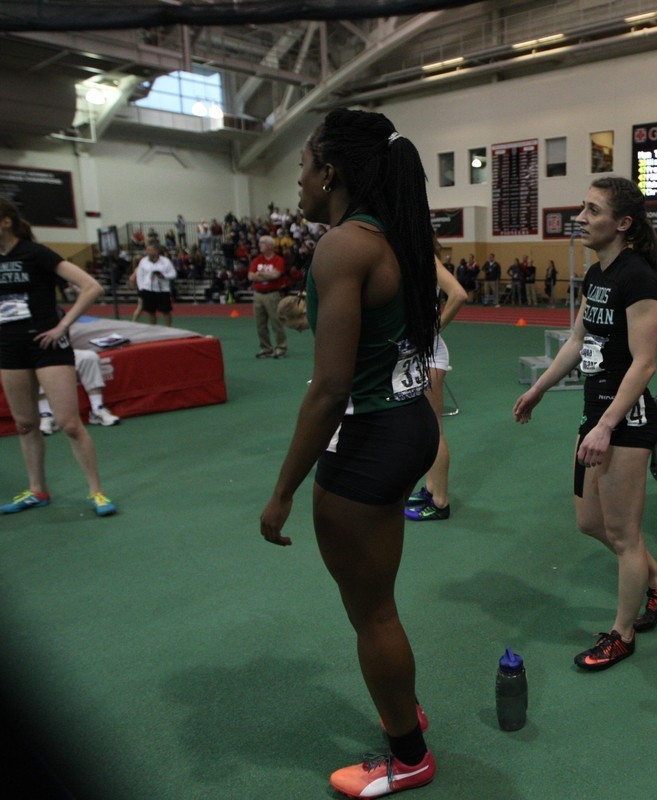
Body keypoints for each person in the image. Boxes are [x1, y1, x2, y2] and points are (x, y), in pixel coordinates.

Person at [258, 108, 442, 798]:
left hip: (370, 438)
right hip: (411, 423)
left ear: (330, 172)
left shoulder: (342, 246)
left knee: (373, 613)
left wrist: (282, 492)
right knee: (379, 603)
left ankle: (408, 753)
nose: (299, 181)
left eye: (304, 166)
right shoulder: (394, 235)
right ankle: (405, 709)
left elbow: (330, 389)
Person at [514, 177, 657, 671]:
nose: (580, 218)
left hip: (625, 419)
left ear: (623, 223)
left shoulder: (638, 277)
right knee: (590, 522)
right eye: (582, 208)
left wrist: (606, 425)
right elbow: (576, 341)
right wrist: (540, 388)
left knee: (624, 534)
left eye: (592, 210)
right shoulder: (597, 275)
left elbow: (645, 363)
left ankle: (622, 635)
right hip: (596, 413)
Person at [0, 198, 117, 517]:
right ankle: (37, 490)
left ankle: (97, 492)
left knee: (69, 424)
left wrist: (62, 326)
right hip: (9, 347)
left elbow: (91, 287)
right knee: (25, 424)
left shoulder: (36, 253)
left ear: (6, 221)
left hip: (47, 345)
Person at [405, 244, 468, 522]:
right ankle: (431, 489)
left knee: (434, 430)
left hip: (429, 355)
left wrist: (431, 331)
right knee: (424, 429)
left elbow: (458, 294)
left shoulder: (423, 256)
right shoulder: (405, 256)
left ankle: (440, 502)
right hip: (416, 353)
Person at [38, 348, 121, 433]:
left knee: (89, 357)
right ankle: (47, 414)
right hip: (36, 357)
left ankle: (97, 408)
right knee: (35, 365)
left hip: (61, 352)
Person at [249, 234, 289, 358]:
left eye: (263, 243)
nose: (260, 245)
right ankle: (266, 348)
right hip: (258, 295)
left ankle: (281, 347)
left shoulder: (278, 260)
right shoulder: (257, 260)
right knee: (260, 324)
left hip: (272, 294)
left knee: (276, 322)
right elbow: (251, 276)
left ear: (270, 246)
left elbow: (276, 275)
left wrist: (260, 274)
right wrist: (267, 275)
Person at [131, 241, 175, 326]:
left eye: (150, 250)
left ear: (156, 251)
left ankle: (168, 328)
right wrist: (141, 288)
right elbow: (140, 275)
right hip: (148, 290)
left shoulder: (165, 261)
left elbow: (173, 274)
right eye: (147, 250)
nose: (147, 252)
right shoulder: (143, 261)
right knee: (151, 311)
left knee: (166, 311)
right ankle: (153, 327)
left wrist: (163, 276)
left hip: (162, 290)